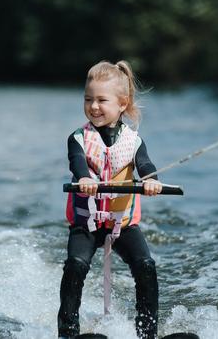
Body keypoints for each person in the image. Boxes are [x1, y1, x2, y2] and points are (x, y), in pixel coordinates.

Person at [58, 60, 163, 339]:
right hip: (87, 224)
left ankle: (147, 332)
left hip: (122, 225)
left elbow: (146, 165)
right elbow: (78, 162)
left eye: (101, 100)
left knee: (145, 266)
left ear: (121, 103)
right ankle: (67, 332)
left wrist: (151, 181)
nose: (93, 106)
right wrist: (85, 179)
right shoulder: (78, 138)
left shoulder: (134, 141)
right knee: (76, 265)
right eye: (88, 99)